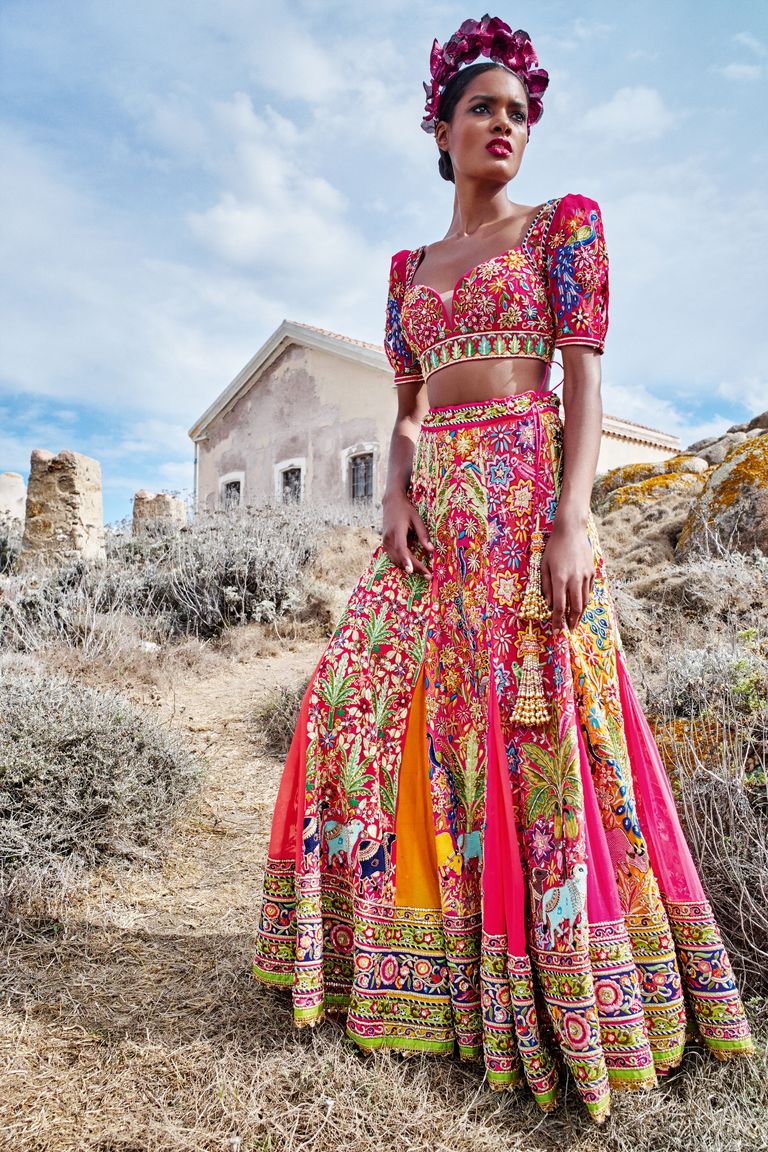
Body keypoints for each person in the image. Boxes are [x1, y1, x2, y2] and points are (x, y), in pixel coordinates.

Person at [252, 14, 753, 1125]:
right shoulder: (408, 270)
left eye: (519, 113)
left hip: (528, 503)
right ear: (439, 126)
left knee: (537, 736)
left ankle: (562, 988)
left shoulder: (562, 227)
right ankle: (381, 959)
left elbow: (581, 378)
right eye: (482, 108)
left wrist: (574, 515)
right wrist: (393, 492)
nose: (504, 127)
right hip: (437, 520)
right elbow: (408, 411)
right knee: (347, 702)